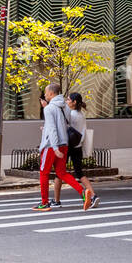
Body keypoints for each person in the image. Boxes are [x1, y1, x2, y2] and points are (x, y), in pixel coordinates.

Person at [34, 83, 97, 212]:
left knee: (44, 172)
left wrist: (55, 147)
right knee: (62, 173)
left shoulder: (49, 109)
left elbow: (52, 128)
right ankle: (83, 192)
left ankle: (45, 203)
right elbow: (62, 125)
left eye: (46, 93)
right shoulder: (65, 107)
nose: (45, 95)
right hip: (65, 144)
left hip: (52, 146)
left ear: (51, 94)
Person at [52, 92, 89, 205]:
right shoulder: (81, 114)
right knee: (80, 173)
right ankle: (92, 196)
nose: (67, 101)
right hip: (77, 146)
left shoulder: (71, 115)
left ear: (74, 102)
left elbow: (61, 127)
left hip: (68, 146)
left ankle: (56, 200)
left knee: (59, 173)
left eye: (68, 99)